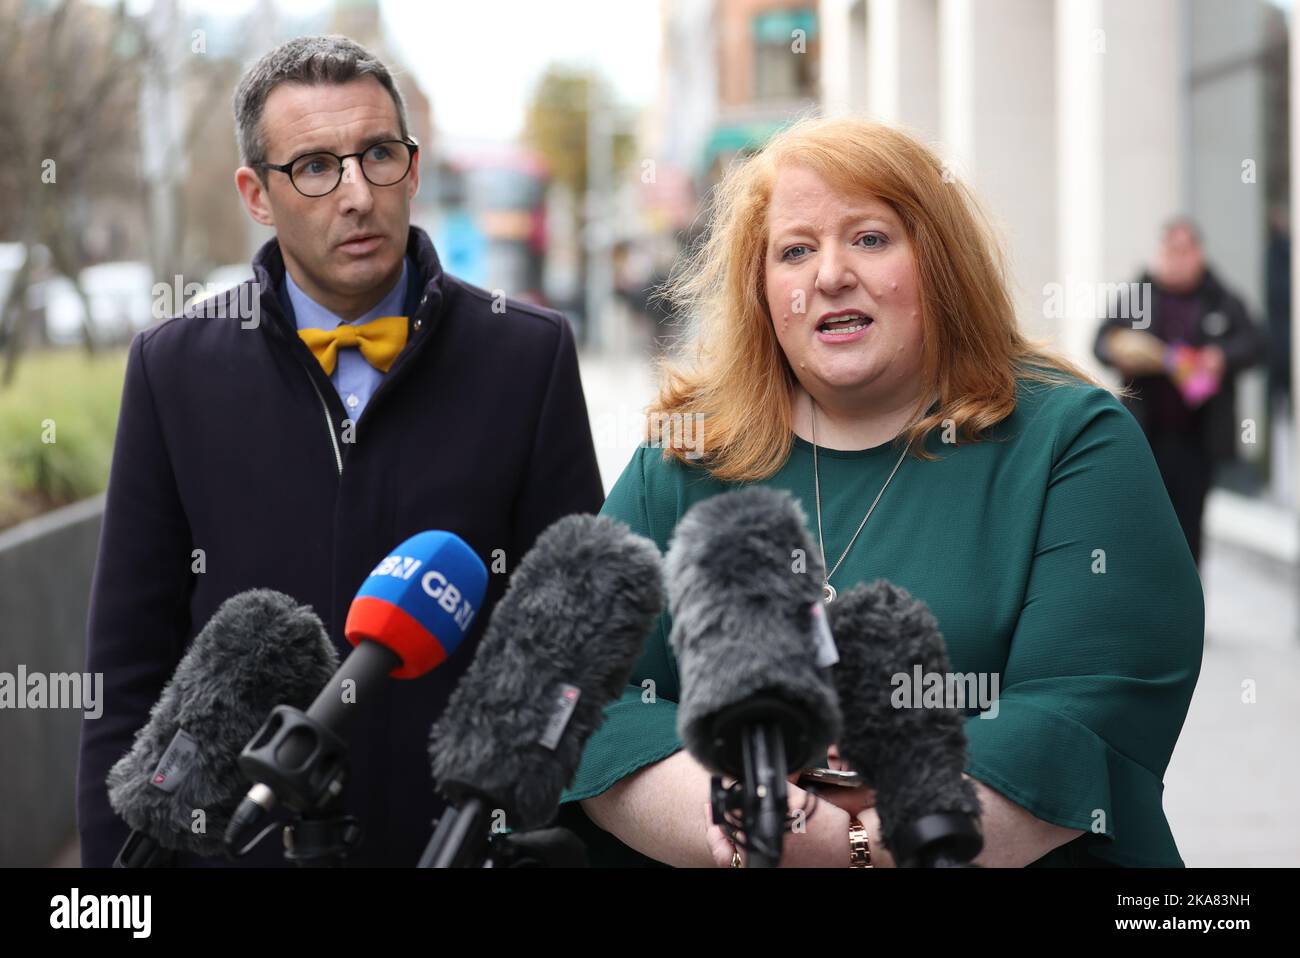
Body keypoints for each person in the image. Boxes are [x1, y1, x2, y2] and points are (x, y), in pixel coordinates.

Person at [555, 116, 1204, 867]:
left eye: (869, 238)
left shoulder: (1074, 440)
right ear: (762, 290)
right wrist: (740, 810)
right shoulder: (687, 458)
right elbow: (587, 704)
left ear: (942, 262)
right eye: (795, 251)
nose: (829, 274)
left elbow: (1077, 723)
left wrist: (852, 845)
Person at [75, 35, 603, 867]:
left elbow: (577, 643)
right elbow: (126, 673)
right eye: (316, 167)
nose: (357, 194)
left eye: (378, 155)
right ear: (255, 192)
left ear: (414, 167)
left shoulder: (526, 355)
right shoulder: (173, 369)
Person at [1094, 218, 1263, 566]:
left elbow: (1256, 343)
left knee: (1188, 533)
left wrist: (1221, 358)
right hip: (1144, 437)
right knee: (1141, 527)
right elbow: (1100, 343)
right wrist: (1124, 354)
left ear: (1198, 254)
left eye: (1184, 250)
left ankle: (1187, 611)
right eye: (1170, 250)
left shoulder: (1221, 299)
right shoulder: (1137, 296)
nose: (1176, 258)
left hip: (1196, 442)